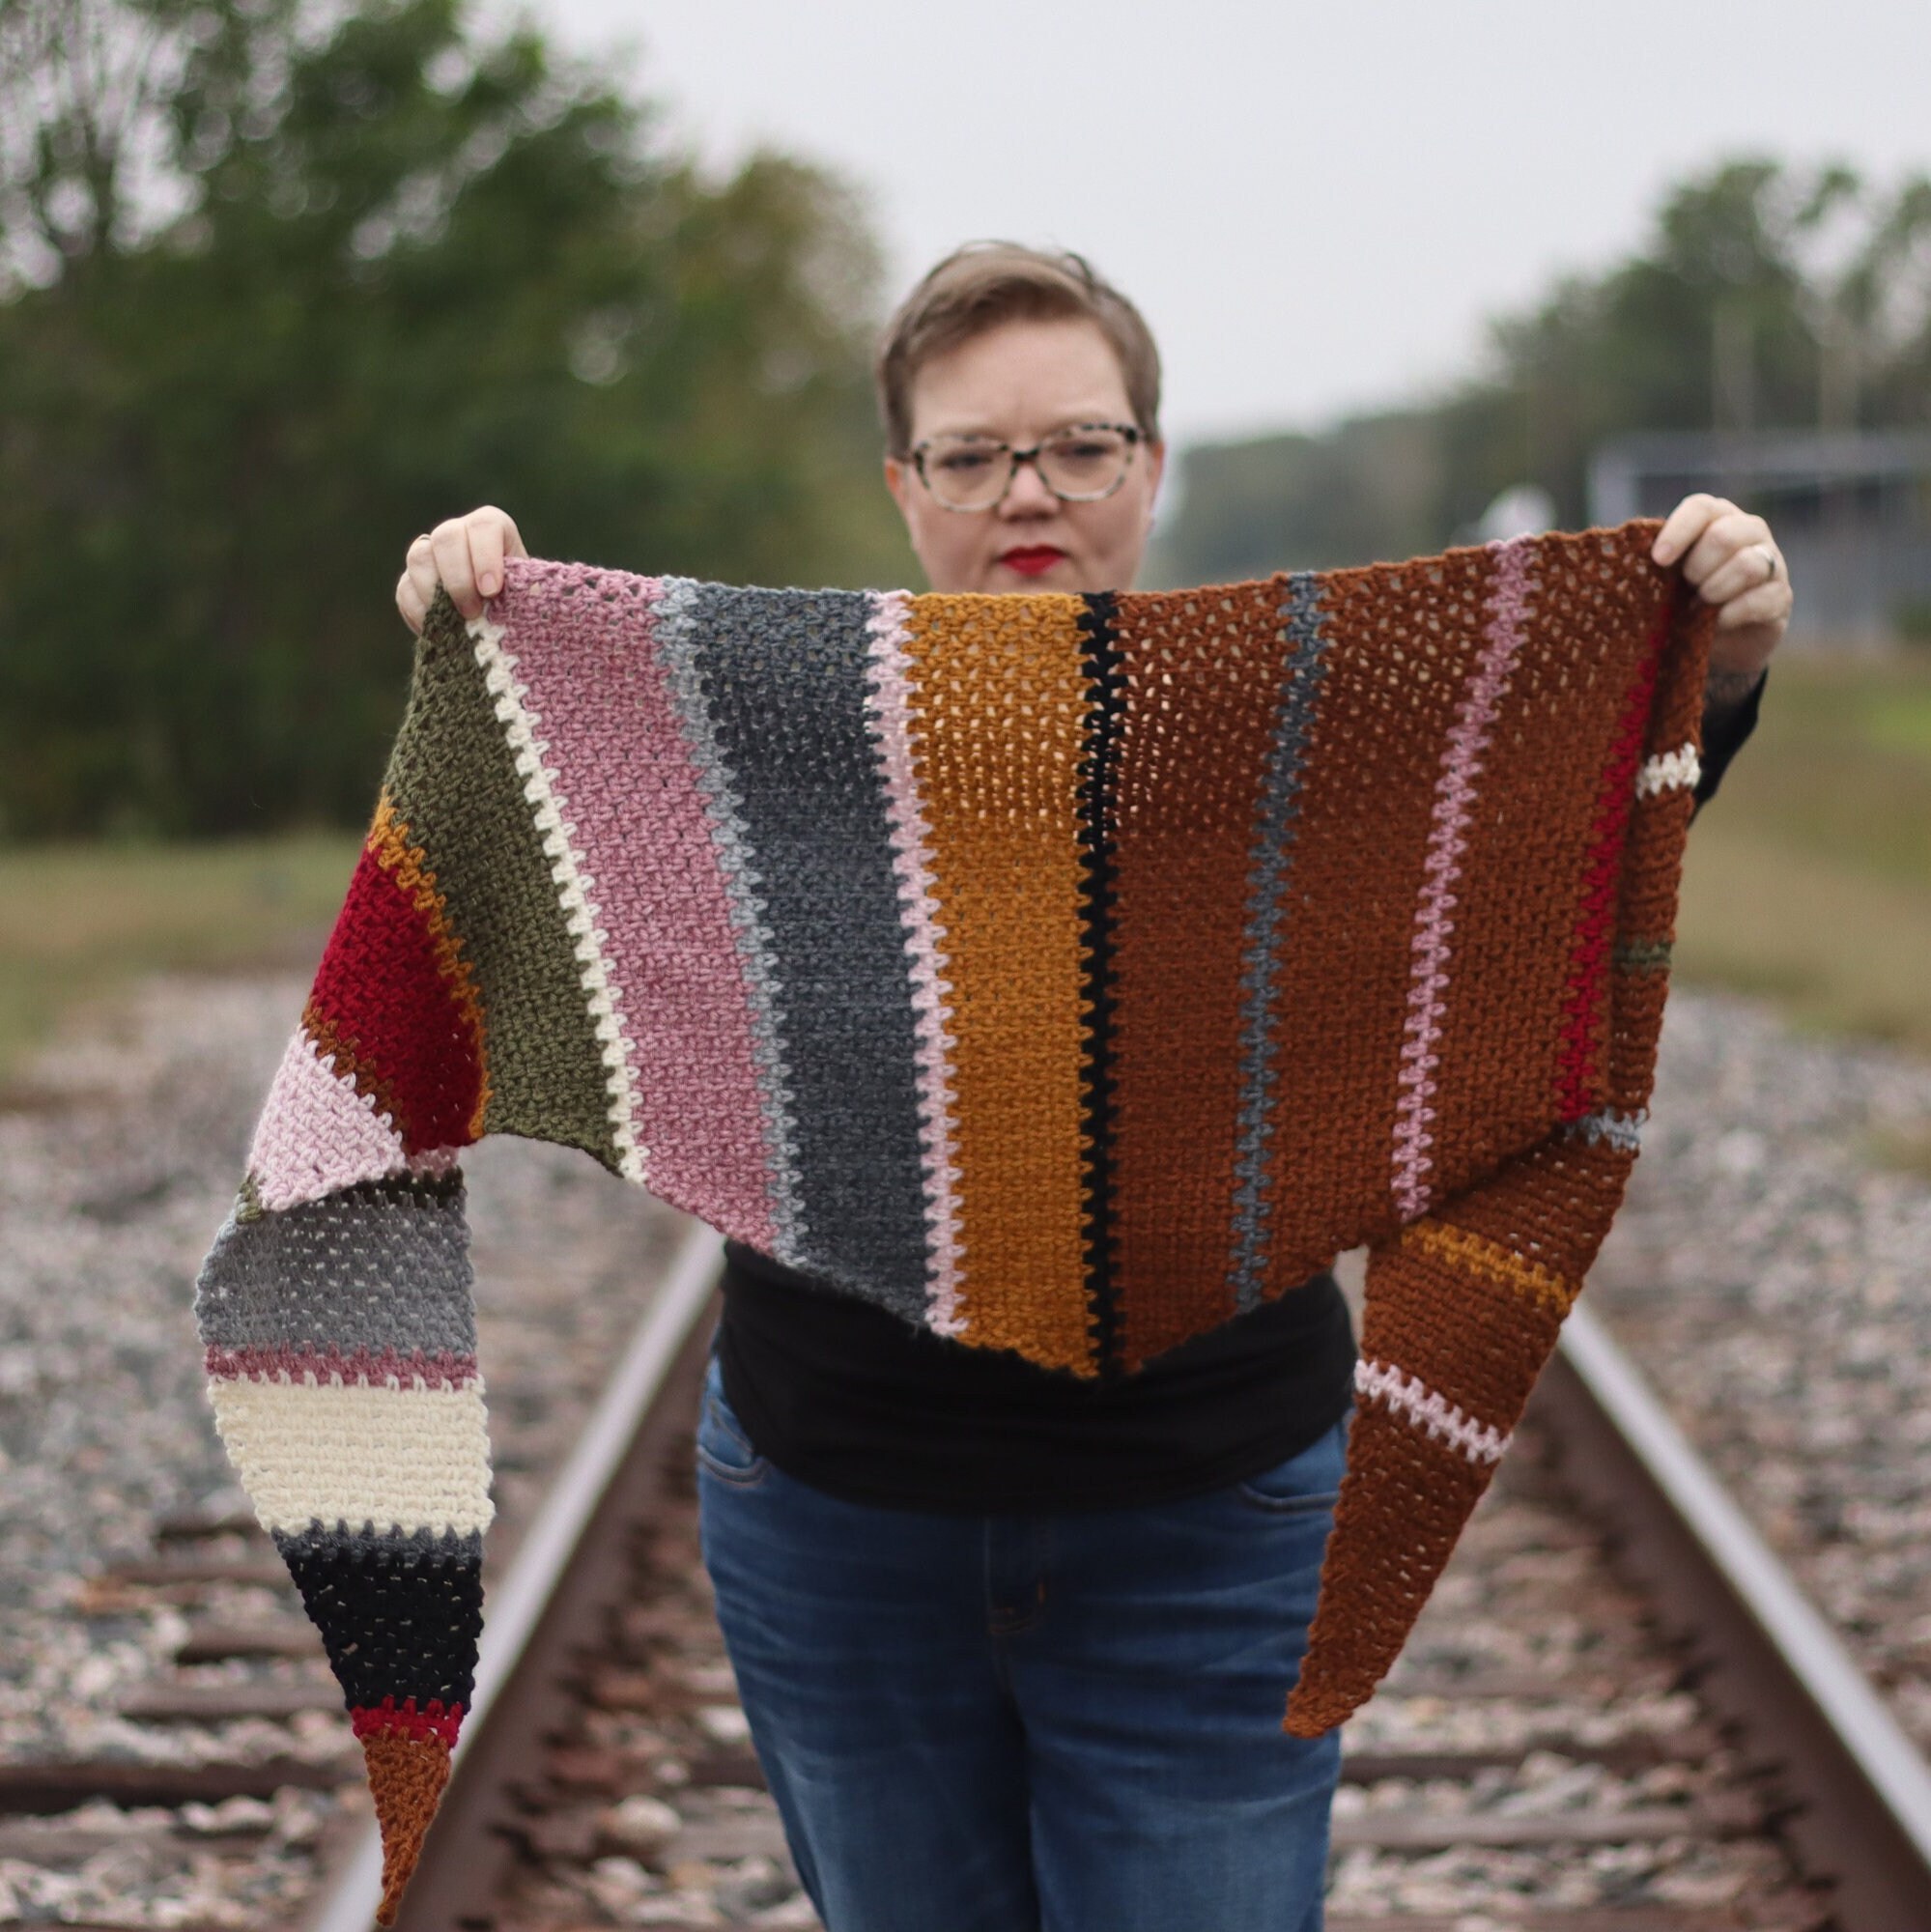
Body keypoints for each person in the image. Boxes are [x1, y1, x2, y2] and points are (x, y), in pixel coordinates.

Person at [395, 243, 1790, 1932]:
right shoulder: (770, 738)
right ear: (905, 487)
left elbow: (1538, 845)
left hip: (1213, 1521)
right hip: (838, 1523)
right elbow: (541, 849)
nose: (1027, 492)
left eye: (1079, 444)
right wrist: (485, 626)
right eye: (975, 456)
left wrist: (1704, 673)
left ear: (1151, 461)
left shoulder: (1301, 726)